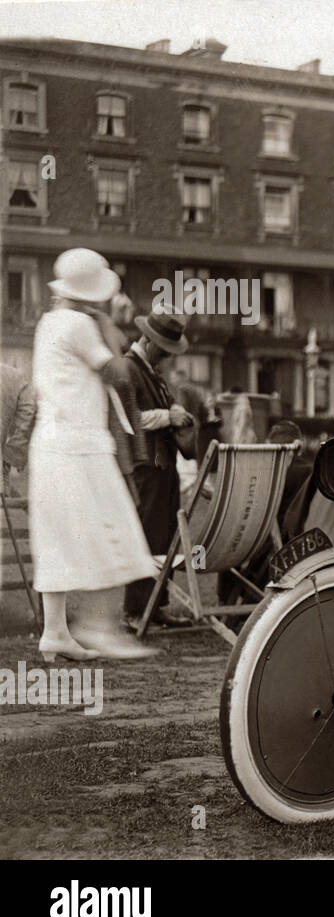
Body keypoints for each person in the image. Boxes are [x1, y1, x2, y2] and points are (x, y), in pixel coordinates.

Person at [27, 248, 158, 660]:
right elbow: (120, 374)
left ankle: (55, 633)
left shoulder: (50, 321)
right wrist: (111, 326)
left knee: (57, 539)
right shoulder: (81, 325)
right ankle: (99, 627)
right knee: (112, 530)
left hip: (51, 443)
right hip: (80, 446)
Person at [118, 306, 197, 629]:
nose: (165, 357)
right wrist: (168, 417)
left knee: (165, 537)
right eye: (163, 350)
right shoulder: (128, 368)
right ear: (148, 341)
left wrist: (173, 408)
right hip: (145, 467)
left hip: (163, 466)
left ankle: (156, 605)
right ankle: (135, 610)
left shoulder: (149, 370)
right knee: (147, 537)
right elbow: (129, 419)